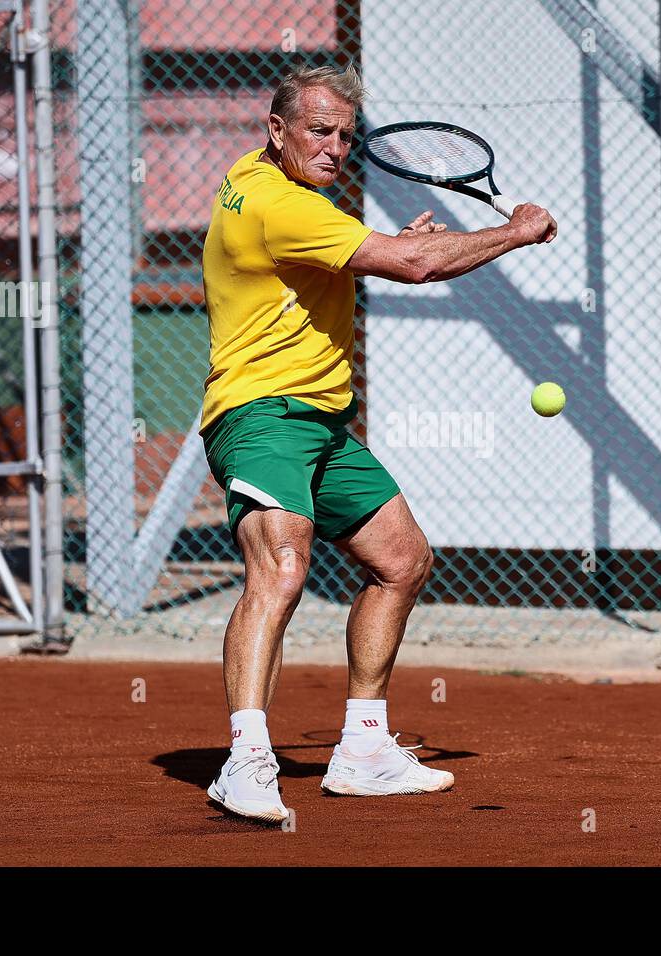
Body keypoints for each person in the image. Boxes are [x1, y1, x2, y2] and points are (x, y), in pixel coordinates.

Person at [200, 64, 556, 823]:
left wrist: (391, 244)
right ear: (276, 130)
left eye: (344, 135)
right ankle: (247, 762)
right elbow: (417, 266)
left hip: (321, 423)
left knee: (402, 561)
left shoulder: (254, 176)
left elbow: (356, 256)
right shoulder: (277, 204)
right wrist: (515, 233)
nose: (334, 148)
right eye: (318, 131)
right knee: (282, 571)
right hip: (260, 417)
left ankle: (363, 750)